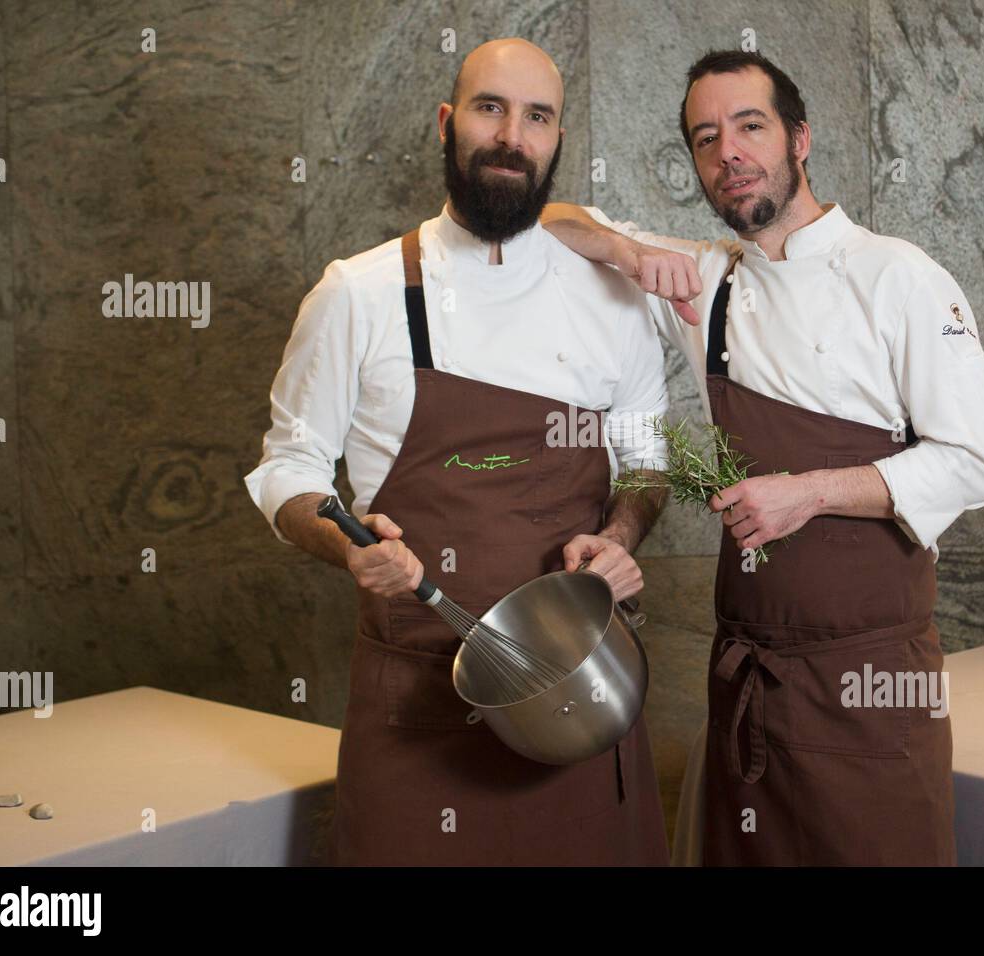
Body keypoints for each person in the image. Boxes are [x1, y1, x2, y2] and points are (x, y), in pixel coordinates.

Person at [542, 49, 984, 865]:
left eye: (750, 126)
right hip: (749, 676)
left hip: (873, 685)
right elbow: (551, 220)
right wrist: (623, 251)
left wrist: (811, 492)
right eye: (705, 137)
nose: (729, 153)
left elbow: (974, 463)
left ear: (800, 139)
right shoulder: (706, 283)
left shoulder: (900, 277)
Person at [244, 38, 671, 866]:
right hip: (419, 714)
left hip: (581, 703)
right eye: (490, 108)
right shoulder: (359, 293)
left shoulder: (613, 300)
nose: (513, 135)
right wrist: (346, 547)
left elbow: (646, 461)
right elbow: (288, 468)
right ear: (448, 122)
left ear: (556, 139)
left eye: (537, 116)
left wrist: (617, 544)